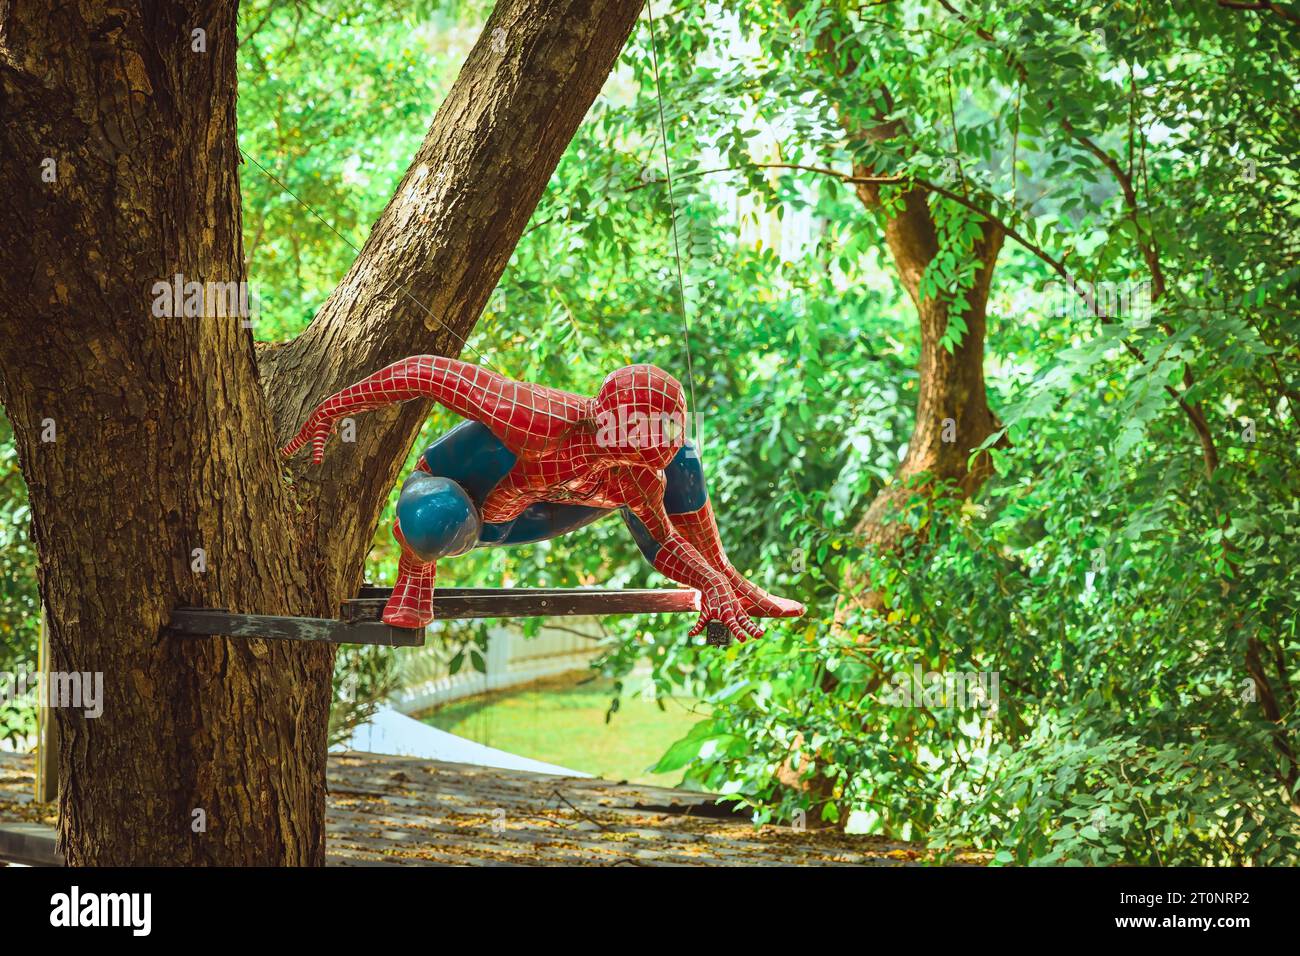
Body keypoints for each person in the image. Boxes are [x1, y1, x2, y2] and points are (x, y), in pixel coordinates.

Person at [283, 356, 804, 642]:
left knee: (686, 464)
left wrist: (710, 579)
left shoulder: (644, 474)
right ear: (605, 419)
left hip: (538, 509)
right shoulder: (535, 417)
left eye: (654, 447)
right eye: (637, 440)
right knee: (436, 519)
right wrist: (334, 408)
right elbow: (425, 373)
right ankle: (416, 572)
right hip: (470, 499)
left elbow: (664, 543)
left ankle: (733, 583)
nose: (646, 456)